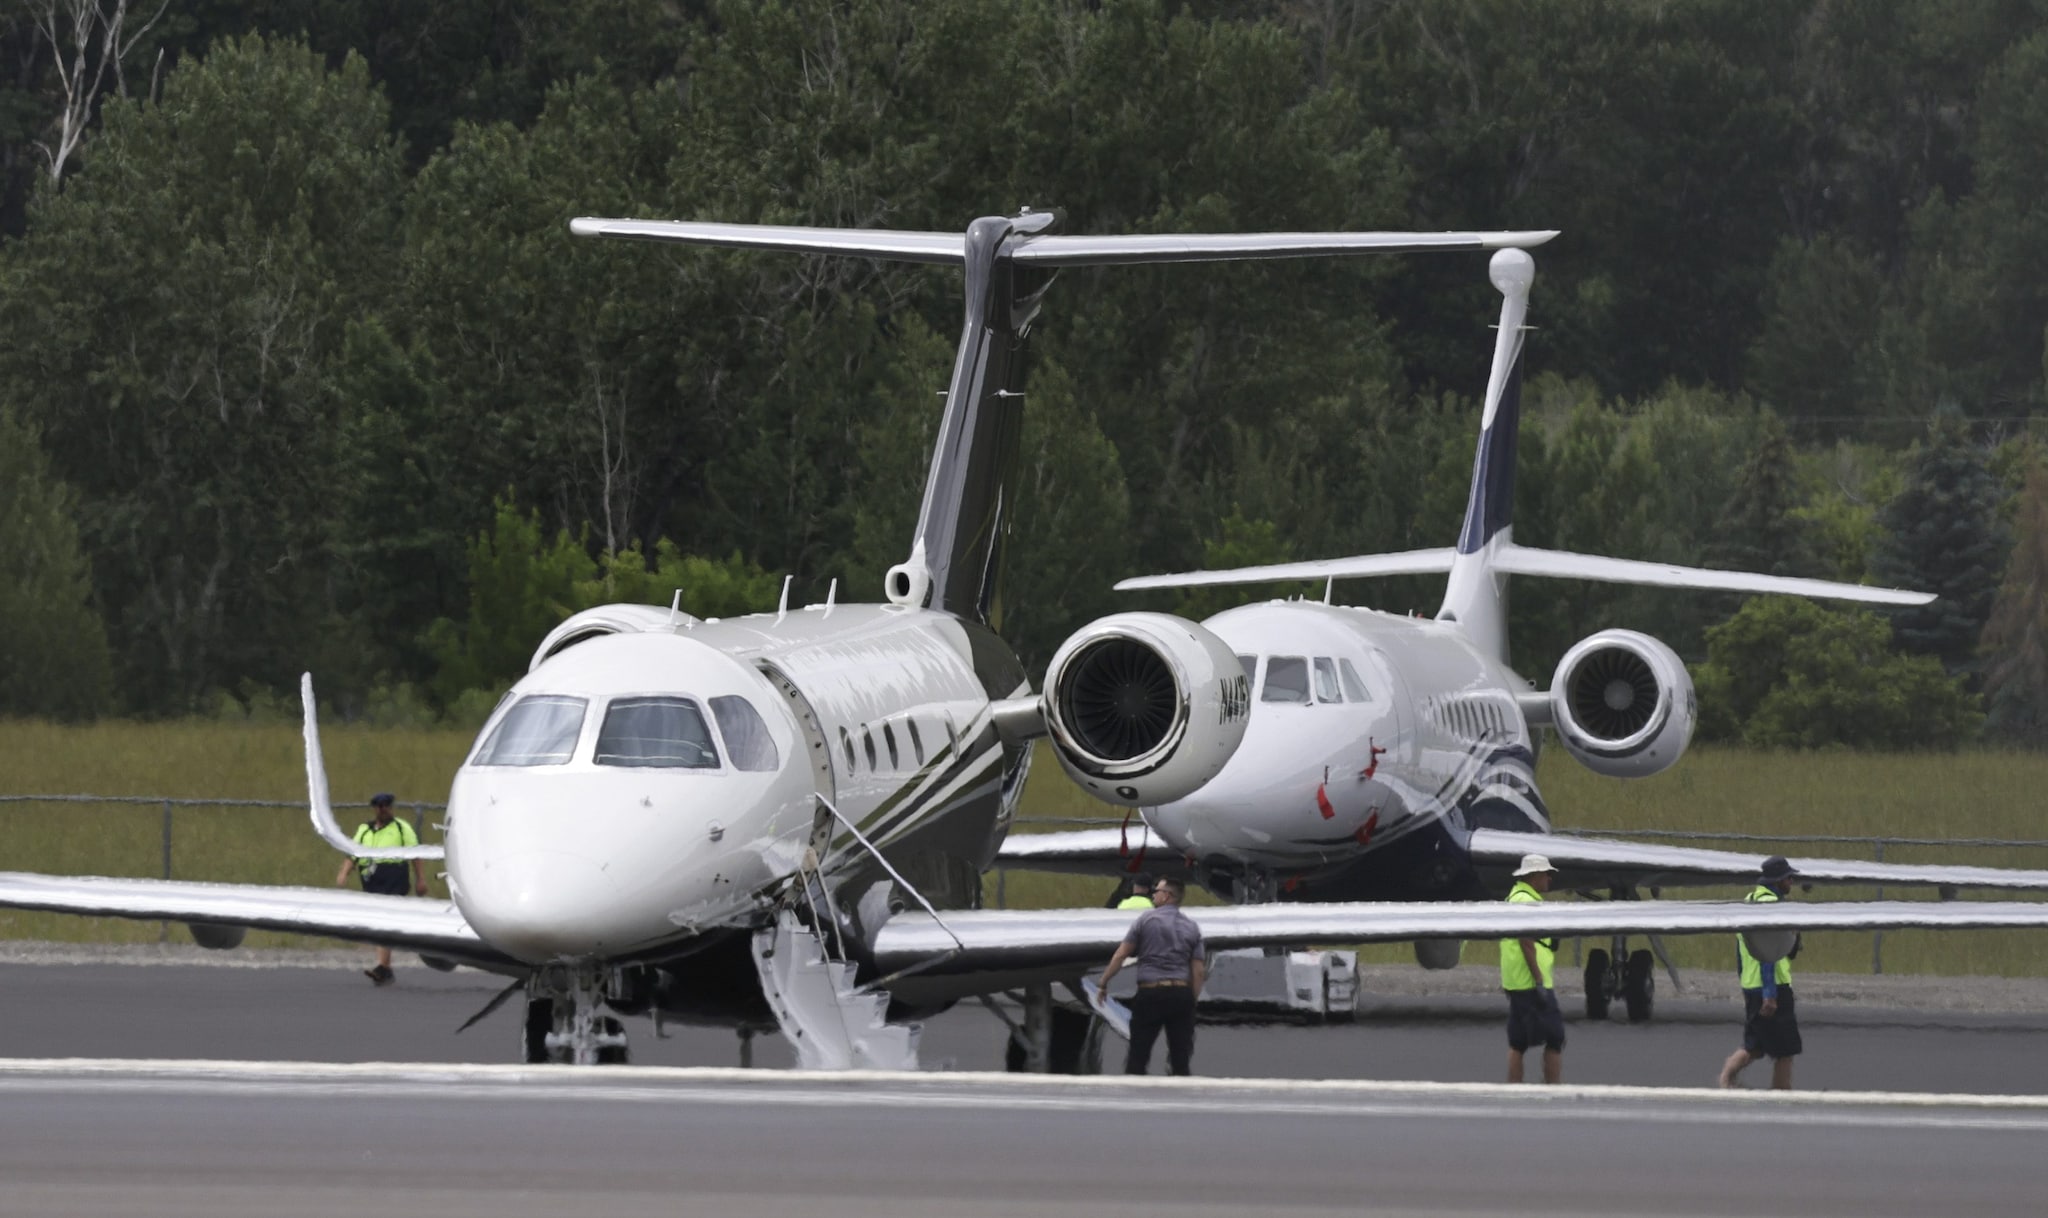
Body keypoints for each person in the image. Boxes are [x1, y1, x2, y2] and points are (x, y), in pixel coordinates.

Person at [1096, 876, 1205, 1075]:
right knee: (1180, 1059)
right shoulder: (1191, 927)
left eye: (1157, 891)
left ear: (1166, 896)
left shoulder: (1145, 921)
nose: (1153, 894)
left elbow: (1121, 955)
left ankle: (1135, 1090)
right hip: (1180, 993)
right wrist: (1192, 1000)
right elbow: (1198, 970)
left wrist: (1103, 983)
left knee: (1138, 1056)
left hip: (1151, 993)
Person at [1720, 855, 1803, 1089]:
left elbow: (1740, 950)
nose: (1791, 882)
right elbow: (1768, 953)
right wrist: (1769, 994)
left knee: (1755, 1046)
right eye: (1788, 878)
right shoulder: (1772, 907)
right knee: (1785, 1050)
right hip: (1773, 986)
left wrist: (1745, 983)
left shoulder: (1749, 901)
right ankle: (1781, 1095)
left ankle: (1727, 1079)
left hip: (1751, 985)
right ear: (1778, 880)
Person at [334, 793, 428, 986]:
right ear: (374, 808)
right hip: (372, 879)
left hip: (394, 878)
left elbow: (415, 854)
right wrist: (344, 873)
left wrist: (420, 879)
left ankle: (383, 967)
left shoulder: (401, 828)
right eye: (379, 806)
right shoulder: (365, 830)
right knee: (378, 922)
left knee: (384, 920)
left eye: (386, 805)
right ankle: (386, 968)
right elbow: (353, 854)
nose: (383, 809)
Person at [1500, 853, 1564, 1084]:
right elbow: (1526, 941)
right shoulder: (1526, 901)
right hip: (1530, 982)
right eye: (1546, 874)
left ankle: (1513, 1091)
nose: (1549, 878)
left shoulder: (1514, 897)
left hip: (1516, 981)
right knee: (1555, 1038)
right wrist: (1538, 980)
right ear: (1534, 876)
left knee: (1518, 1042)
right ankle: (1553, 1091)